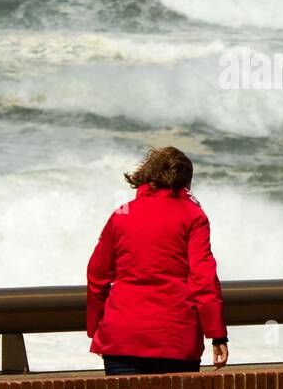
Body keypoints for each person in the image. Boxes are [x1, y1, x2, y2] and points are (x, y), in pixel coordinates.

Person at [86, 146, 229, 376]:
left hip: (122, 335)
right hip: (176, 339)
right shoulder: (193, 216)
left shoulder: (122, 214)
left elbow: (97, 275)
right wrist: (217, 333)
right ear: (185, 182)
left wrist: (98, 328)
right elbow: (203, 279)